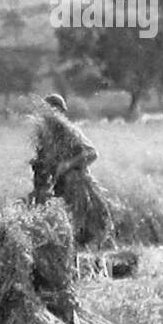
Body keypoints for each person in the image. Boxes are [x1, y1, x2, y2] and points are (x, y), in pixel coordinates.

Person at [31, 93, 111, 247]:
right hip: (55, 188)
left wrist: (68, 164)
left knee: (76, 230)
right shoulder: (43, 135)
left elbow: (92, 153)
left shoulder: (69, 132)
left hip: (74, 188)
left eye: (54, 111)